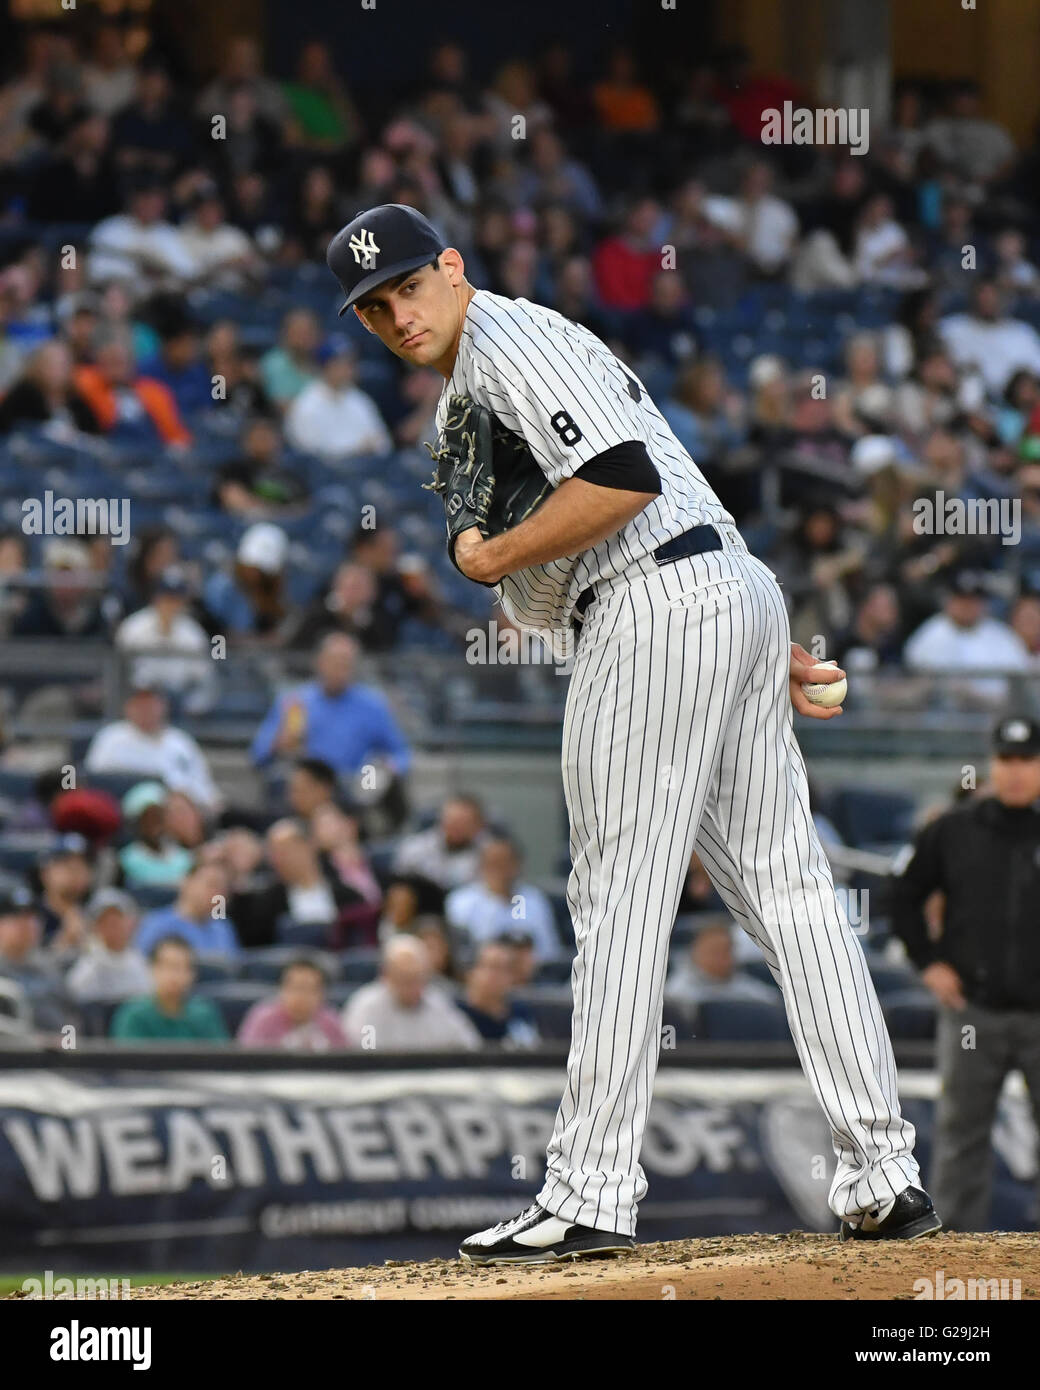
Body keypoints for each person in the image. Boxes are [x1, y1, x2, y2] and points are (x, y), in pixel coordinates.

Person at [327, 201, 939, 1261]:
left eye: (409, 285)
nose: (396, 313)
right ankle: (881, 1174)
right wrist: (754, 634)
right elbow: (654, 495)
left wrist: (485, 552)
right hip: (716, 588)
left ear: (453, 267)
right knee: (793, 896)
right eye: (374, 306)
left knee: (616, 899)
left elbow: (619, 482)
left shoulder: (504, 340)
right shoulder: (507, 368)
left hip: (652, 605)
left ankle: (590, 1189)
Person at [891, 715, 1040, 1232]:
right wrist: (928, 962)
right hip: (973, 1011)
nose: (1016, 772)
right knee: (961, 1136)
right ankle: (953, 1255)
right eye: (1006, 761)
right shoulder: (955, 830)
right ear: (992, 765)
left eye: (1027, 761)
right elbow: (902, 896)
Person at [251, 632, 411, 779]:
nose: (341, 670)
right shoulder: (295, 701)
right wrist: (278, 744)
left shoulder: (372, 706)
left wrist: (387, 767)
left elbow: (401, 755)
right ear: (319, 662)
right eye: (335, 662)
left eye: (347, 664)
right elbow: (259, 753)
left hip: (351, 787)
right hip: (303, 786)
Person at [85, 681, 223, 813]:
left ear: (163, 706)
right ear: (128, 707)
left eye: (151, 704)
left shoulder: (181, 742)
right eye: (140, 704)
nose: (146, 710)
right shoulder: (112, 737)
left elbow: (205, 787)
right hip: (128, 809)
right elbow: (96, 781)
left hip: (184, 810)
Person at [341, 935, 480, 1051]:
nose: (414, 988)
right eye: (405, 980)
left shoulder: (438, 1004)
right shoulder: (366, 1008)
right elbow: (364, 1056)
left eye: (419, 979)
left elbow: (469, 1046)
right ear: (386, 976)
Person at [444, 837, 559, 961]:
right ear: (481, 866)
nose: (500, 869)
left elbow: (549, 951)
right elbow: (460, 952)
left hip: (530, 974)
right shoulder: (460, 901)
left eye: (506, 862)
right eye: (493, 863)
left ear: (518, 865)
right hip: (480, 971)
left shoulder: (534, 899)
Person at [284, 339, 393, 459]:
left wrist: (372, 447)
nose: (347, 369)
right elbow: (310, 453)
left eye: (350, 363)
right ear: (325, 367)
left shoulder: (359, 399)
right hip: (327, 474)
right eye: (340, 364)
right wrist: (356, 448)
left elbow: (384, 443)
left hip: (366, 469)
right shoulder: (306, 404)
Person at [110, 936, 228, 1042]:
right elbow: (129, 1061)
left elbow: (222, 1059)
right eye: (168, 966)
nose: (174, 975)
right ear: (152, 969)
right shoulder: (133, 1014)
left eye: (182, 967)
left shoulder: (205, 1014)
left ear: (192, 974)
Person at [134, 862, 240, 960]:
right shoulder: (156, 924)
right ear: (187, 882)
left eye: (224, 888)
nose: (218, 893)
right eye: (211, 885)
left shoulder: (223, 927)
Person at [0, 884, 70, 1031]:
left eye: (31, 918)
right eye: (16, 917)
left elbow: (71, 1019)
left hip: (56, 1050)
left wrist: (69, 1045)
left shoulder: (52, 969)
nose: (26, 925)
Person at [238, 957, 348, 1050]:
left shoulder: (331, 1021)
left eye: (309, 989)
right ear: (282, 989)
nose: (301, 997)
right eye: (296, 988)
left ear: (322, 994)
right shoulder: (263, 1019)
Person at [664, 919, 779, 1007]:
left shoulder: (747, 988)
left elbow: (774, 1004)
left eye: (726, 951)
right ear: (696, 954)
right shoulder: (676, 992)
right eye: (714, 951)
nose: (721, 958)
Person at [64, 889, 151, 1003]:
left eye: (118, 919)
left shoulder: (140, 962)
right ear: (95, 927)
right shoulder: (87, 969)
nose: (113, 925)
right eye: (105, 921)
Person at [392, 794, 488, 891]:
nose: (457, 827)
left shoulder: (489, 854)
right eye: (452, 820)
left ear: (478, 826)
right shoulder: (413, 848)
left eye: (464, 822)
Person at [457, 939, 540, 1046]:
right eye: (489, 966)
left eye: (503, 969)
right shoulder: (457, 1014)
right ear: (471, 972)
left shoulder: (520, 1013)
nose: (494, 976)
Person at [118, 781, 195, 888]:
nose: (155, 826)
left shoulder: (186, 860)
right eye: (148, 819)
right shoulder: (125, 861)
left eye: (158, 817)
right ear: (136, 824)